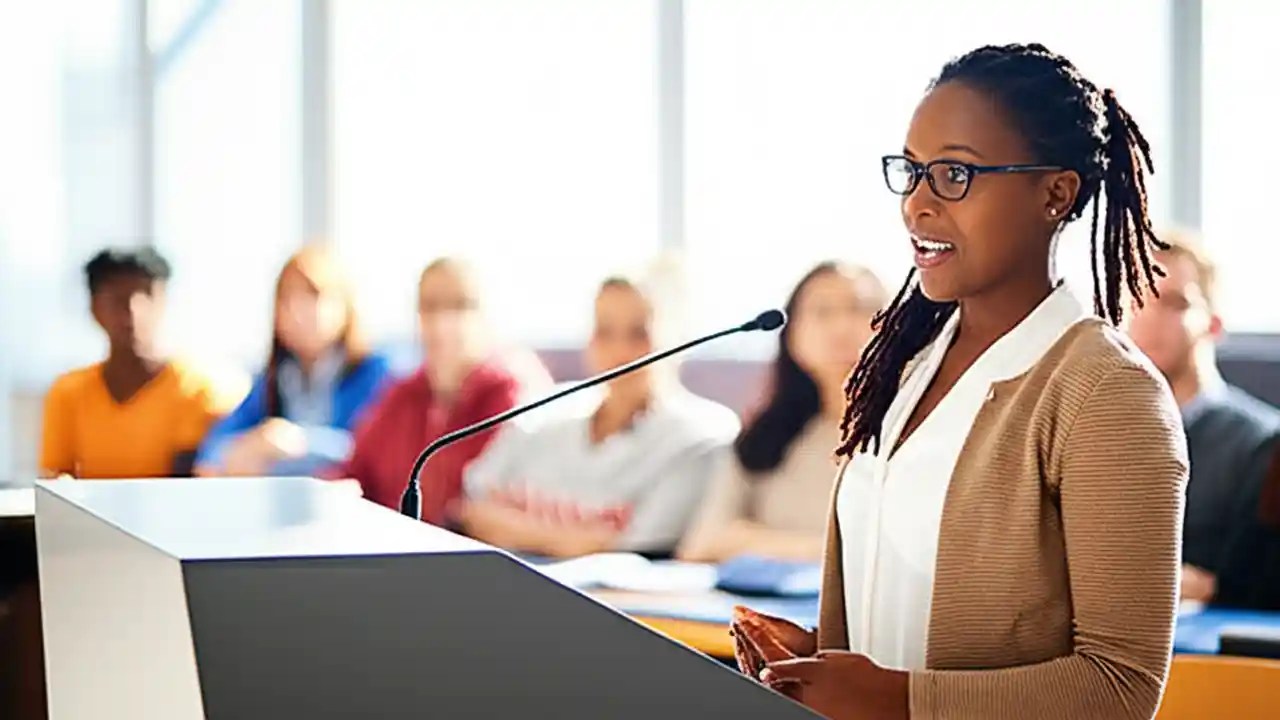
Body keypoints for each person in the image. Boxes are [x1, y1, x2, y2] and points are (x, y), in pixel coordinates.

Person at [733, 44, 1186, 720]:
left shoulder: (1107, 395)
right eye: (912, 171)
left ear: (1055, 193)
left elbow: (1119, 687)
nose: (917, 204)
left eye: (954, 174)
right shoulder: (902, 368)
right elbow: (911, 614)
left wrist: (895, 698)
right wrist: (825, 661)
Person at [457, 266, 740, 558]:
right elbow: (471, 511)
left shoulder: (702, 436)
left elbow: (633, 551)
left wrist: (517, 530)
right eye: (604, 332)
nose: (621, 351)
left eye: (639, 334)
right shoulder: (542, 412)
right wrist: (572, 540)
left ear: (676, 339)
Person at [678, 261, 886, 562]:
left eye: (859, 308)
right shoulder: (763, 436)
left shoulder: (912, 433)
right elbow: (703, 542)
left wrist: (750, 539)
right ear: (791, 334)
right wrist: (817, 552)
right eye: (822, 312)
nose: (841, 327)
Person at [1126, 229, 1280, 610]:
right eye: (1136, 299)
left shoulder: (1264, 446)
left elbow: (1257, 586)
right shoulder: (1100, 438)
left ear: (1212, 324)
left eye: (1172, 303)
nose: (1147, 317)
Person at [336, 258, 525, 524]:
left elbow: (469, 505)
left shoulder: (512, 395)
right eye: (430, 306)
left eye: (460, 305)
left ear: (486, 315)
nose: (442, 321)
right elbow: (352, 472)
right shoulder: (402, 392)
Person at [40, 247, 245, 479]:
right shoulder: (68, 392)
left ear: (163, 302)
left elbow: (191, 484)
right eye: (118, 299)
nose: (133, 312)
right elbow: (57, 481)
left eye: (147, 295)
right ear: (95, 308)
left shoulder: (199, 388)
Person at [195, 246, 391, 477]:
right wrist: (249, 447)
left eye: (313, 296)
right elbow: (211, 452)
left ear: (345, 306)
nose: (297, 310)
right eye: (286, 298)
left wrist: (300, 442)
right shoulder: (273, 379)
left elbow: (373, 452)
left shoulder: (376, 374)